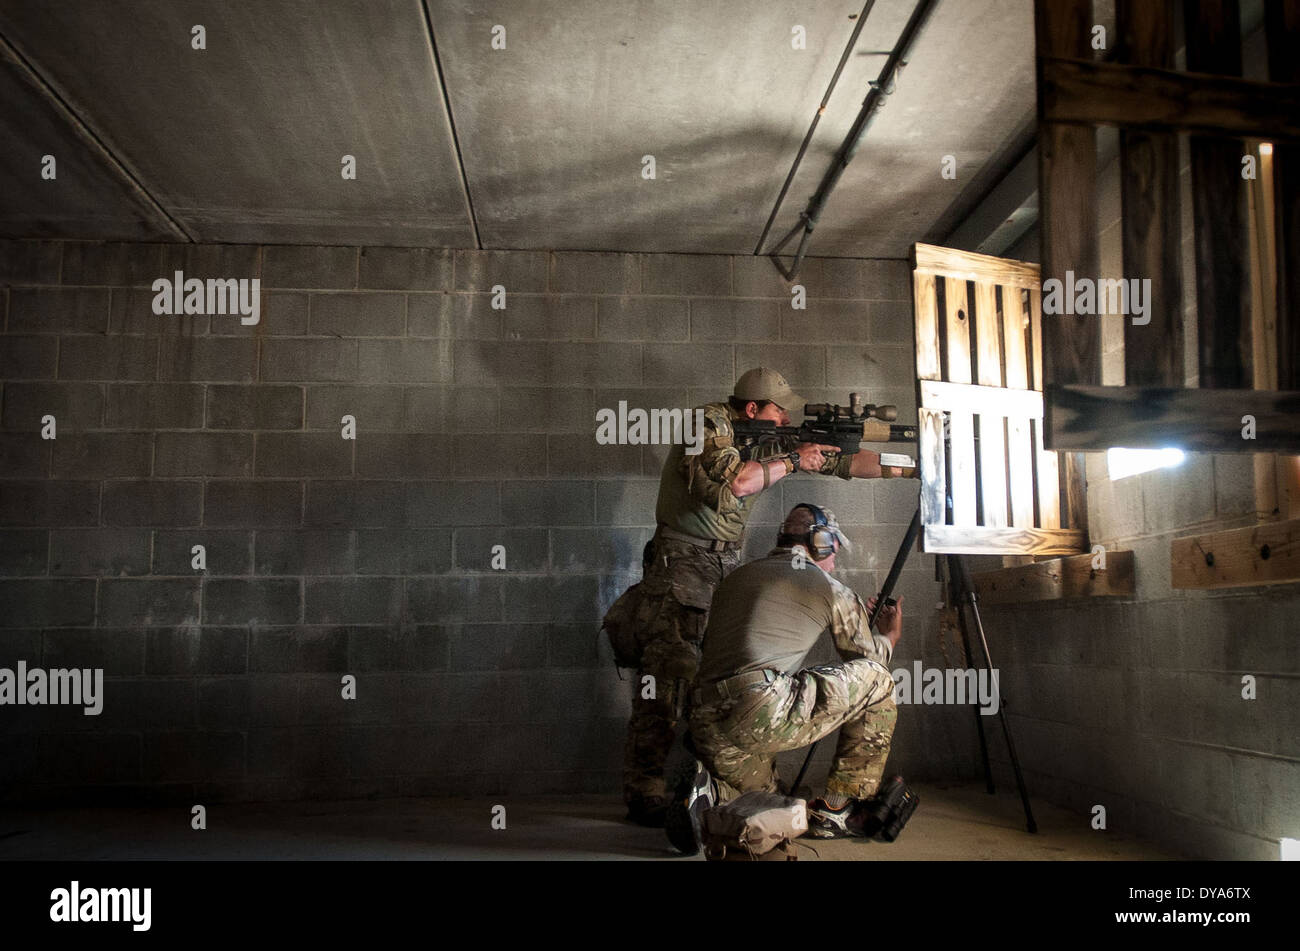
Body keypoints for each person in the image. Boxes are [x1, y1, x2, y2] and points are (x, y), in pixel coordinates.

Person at [622, 367, 906, 827]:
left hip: (724, 563)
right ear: (752, 409)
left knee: (722, 670)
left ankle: (708, 783)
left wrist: (911, 467)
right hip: (683, 562)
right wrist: (794, 459)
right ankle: (646, 792)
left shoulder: (769, 439)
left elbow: (847, 462)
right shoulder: (707, 425)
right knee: (668, 676)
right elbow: (737, 483)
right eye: (780, 409)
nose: (786, 417)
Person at [669, 503, 903, 851]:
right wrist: (889, 636)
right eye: (834, 550)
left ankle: (708, 795)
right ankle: (840, 808)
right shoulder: (828, 586)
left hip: (705, 722)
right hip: (757, 712)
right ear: (820, 543)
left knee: (771, 798)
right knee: (880, 681)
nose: (835, 561)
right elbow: (869, 663)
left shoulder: (735, 578)